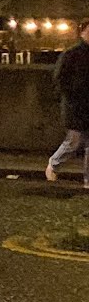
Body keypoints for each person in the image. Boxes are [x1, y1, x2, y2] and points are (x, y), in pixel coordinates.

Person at [44, 19, 89, 189]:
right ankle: (54, 163)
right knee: (73, 142)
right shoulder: (71, 54)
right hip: (76, 106)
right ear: (82, 32)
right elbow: (60, 79)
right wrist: (71, 96)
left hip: (82, 104)